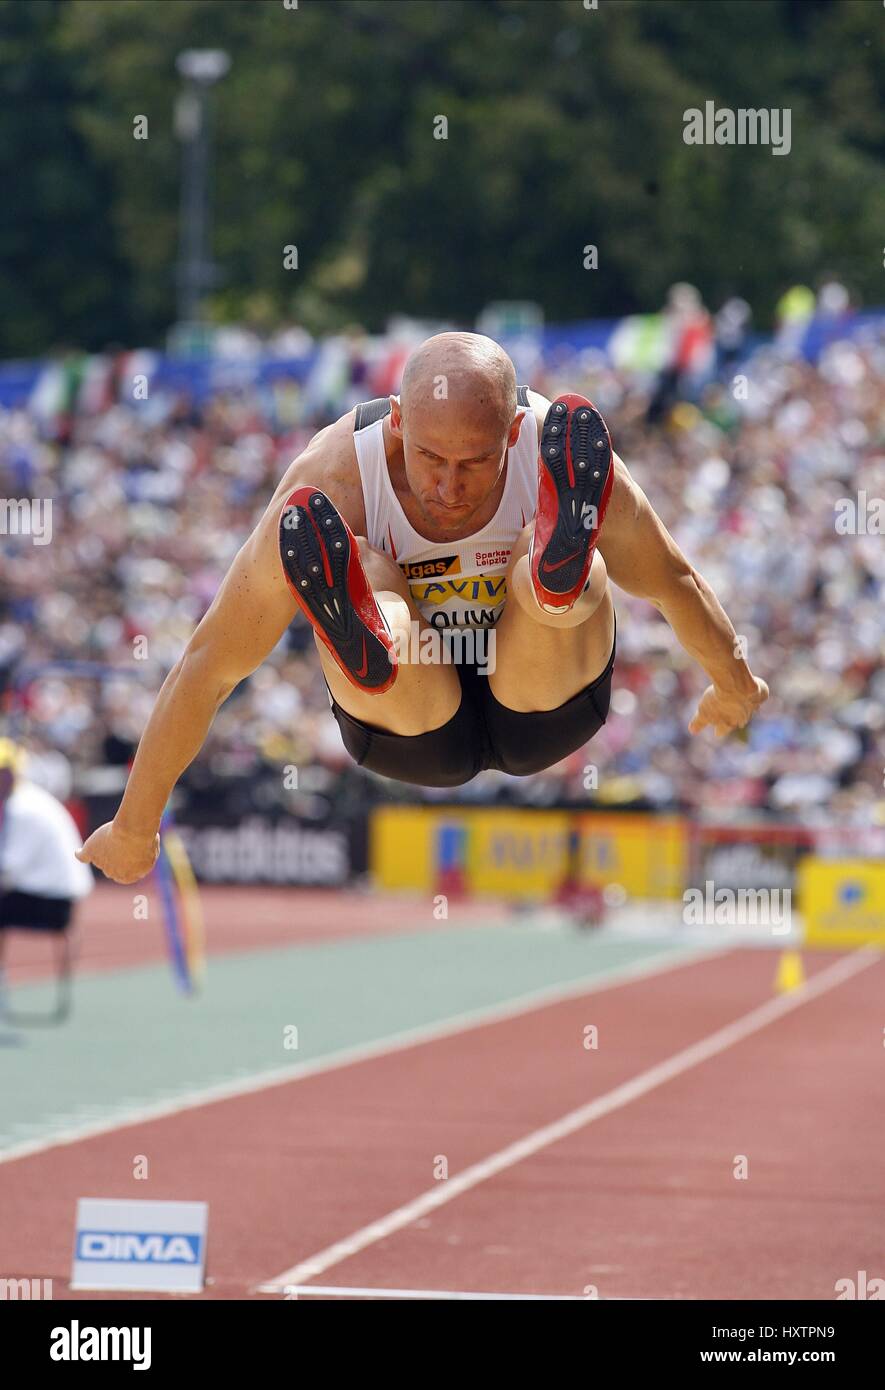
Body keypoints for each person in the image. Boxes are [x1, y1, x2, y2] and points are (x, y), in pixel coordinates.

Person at [77, 332, 768, 885]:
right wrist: (135, 824)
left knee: (565, 571)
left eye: (474, 462)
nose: (448, 486)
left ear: (512, 430)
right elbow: (210, 663)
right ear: (398, 420)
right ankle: (373, 633)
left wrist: (734, 683)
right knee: (362, 561)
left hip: (543, 697)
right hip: (412, 725)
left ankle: (550, 575)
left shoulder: (555, 452)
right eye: (430, 457)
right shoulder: (334, 477)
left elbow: (672, 579)